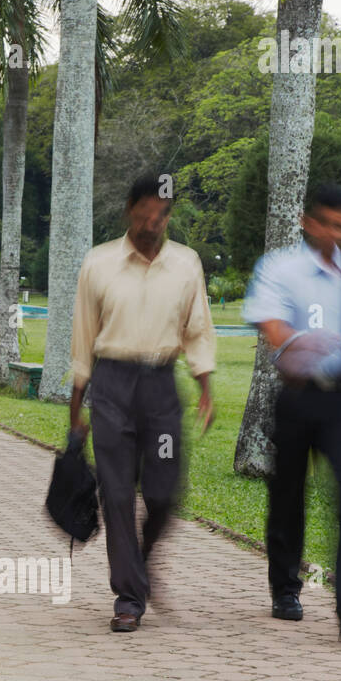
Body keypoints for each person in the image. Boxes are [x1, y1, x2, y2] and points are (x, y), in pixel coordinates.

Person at [243, 183, 341, 642]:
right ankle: (285, 589)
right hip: (296, 394)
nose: (335, 234)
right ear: (309, 223)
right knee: (287, 492)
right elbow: (269, 322)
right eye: (327, 223)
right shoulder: (282, 269)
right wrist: (298, 339)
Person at [69, 173, 216, 632]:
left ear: (169, 215)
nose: (152, 221)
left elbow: (198, 328)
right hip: (111, 388)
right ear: (130, 211)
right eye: (144, 212)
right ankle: (129, 597)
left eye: (161, 213)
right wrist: (77, 407)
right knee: (115, 493)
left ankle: (141, 563)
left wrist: (205, 384)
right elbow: (84, 337)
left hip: (160, 393)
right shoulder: (99, 263)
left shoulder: (187, 264)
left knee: (163, 490)